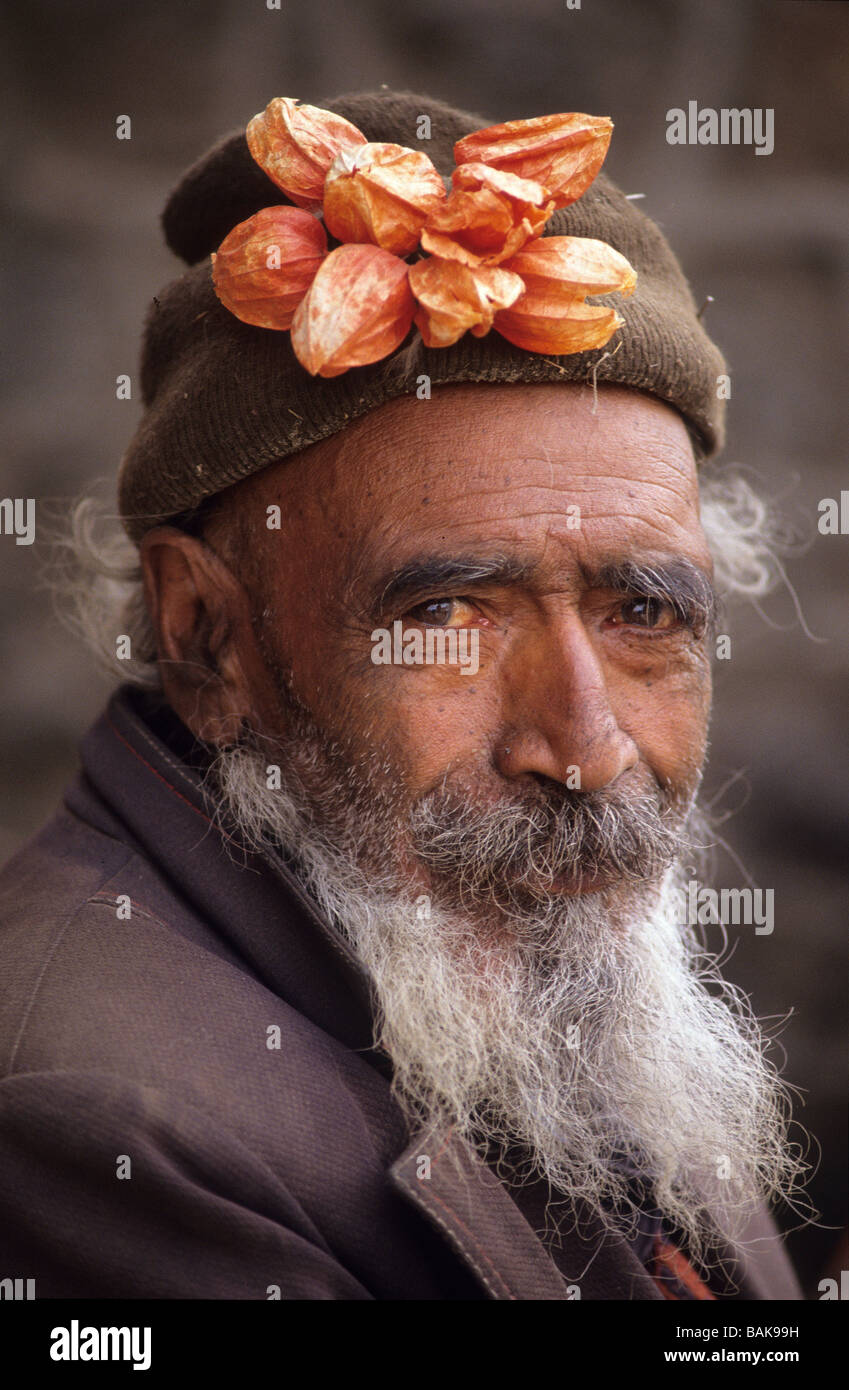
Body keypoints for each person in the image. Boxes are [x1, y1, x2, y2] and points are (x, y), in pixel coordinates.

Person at [0, 89, 804, 1300]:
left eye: (645, 613)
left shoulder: (517, 933)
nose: (583, 749)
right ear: (205, 635)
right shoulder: (99, 1126)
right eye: (446, 616)